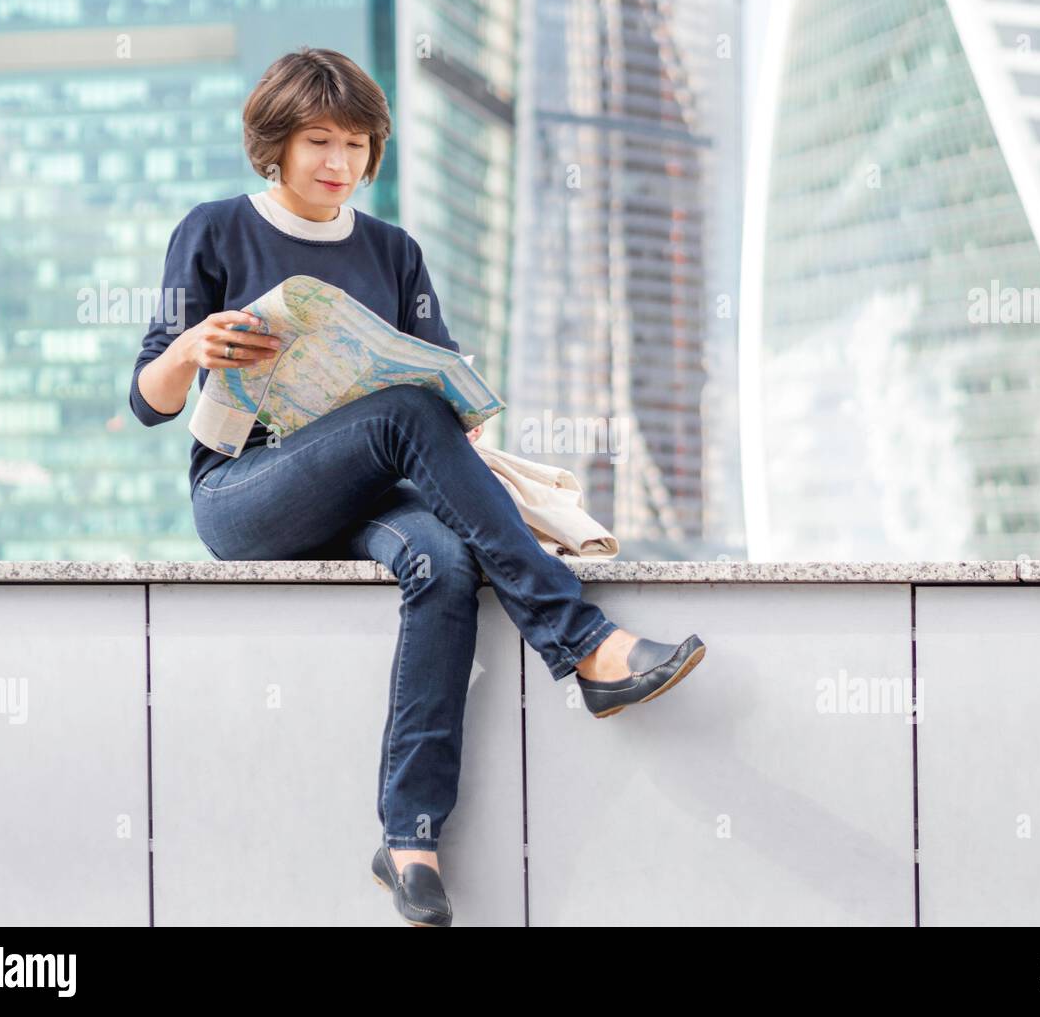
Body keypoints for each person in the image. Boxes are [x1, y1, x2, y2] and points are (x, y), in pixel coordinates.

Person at [128, 46, 705, 927]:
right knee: (401, 413)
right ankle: (582, 641)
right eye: (320, 141)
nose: (340, 165)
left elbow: (430, 382)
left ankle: (410, 837)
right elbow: (145, 401)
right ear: (275, 144)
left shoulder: (394, 251)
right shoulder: (212, 230)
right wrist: (190, 349)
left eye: (358, 145)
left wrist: (456, 407)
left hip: (374, 494)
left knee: (443, 560)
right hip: (247, 487)